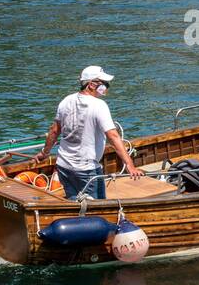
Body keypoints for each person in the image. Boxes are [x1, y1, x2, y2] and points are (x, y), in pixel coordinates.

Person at [38, 65, 141, 200]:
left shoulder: (66, 100)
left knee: (74, 201)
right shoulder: (99, 105)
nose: (106, 87)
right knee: (96, 208)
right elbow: (113, 136)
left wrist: (44, 153)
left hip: (63, 165)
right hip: (85, 169)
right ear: (91, 85)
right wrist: (129, 165)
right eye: (104, 84)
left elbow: (54, 131)